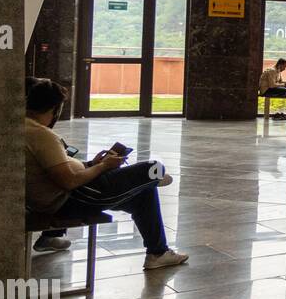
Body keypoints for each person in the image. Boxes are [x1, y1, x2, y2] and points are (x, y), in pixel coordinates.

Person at [24, 79, 187, 270]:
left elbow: (58, 170)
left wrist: (91, 164)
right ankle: (153, 178)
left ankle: (157, 253)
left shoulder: (26, 127)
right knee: (152, 168)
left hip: (71, 194)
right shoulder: (41, 135)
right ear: (54, 109)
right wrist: (103, 167)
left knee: (144, 193)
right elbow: (69, 181)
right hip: (75, 198)